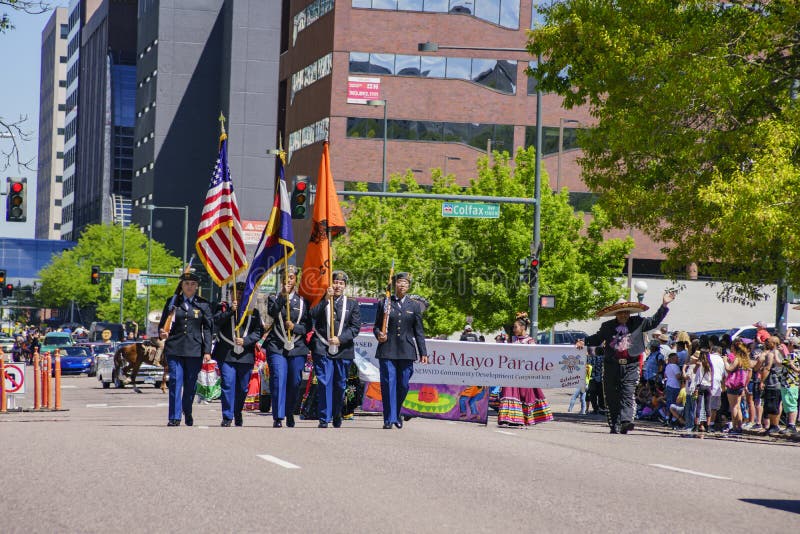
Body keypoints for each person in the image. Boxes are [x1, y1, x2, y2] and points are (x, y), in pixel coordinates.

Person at [577, 291, 675, 434]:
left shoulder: (638, 322)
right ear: (616, 314)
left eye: (626, 312)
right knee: (612, 395)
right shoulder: (607, 326)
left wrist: (664, 305)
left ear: (629, 313)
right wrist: (583, 341)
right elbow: (597, 338)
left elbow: (654, 321)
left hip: (631, 364)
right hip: (611, 365)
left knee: (627, 392)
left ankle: (626, 421)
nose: (623, 315)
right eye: (620, 313)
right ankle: (615, 424)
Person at [373, 272, 428, 429]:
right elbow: (376, 326)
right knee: (388, 384)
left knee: (403, 384)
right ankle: (388, 419)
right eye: (399, 282)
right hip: (387, 349)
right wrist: (379, 334)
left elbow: (419, 331)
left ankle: (396, 413)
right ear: (394, 284)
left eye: (405, 283)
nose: (402, 285)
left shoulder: (414, 306)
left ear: (409, 286)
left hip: (406, 350)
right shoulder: (385, 302)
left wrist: (423, 352)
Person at [158, 272, 213, 427]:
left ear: (197, 286)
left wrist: (207, 351)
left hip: (194, 349)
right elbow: (163, 324)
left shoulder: (203, 304)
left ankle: (187, 410)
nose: (189, 286)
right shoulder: (173, 302)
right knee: (175, 381)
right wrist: (162, 332)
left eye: (193, 284)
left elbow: (208, 329)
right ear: (181, 286)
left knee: (190, 384)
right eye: (186, 284)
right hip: (174, 348)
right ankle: (174, 417)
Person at [310, 271, 362, 428]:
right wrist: (326, 299)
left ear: (345, 286)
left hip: (343, 349)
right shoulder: (322, 299)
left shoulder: (352, 304)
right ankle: (324, 417)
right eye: (335, 282)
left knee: (339, 384)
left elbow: (355, 328)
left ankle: (337, 413)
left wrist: (340, 339)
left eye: (341, 283)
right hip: (322, 347)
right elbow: (312, 315)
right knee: (324, 382)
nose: (338, 285)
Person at [213, 281, 264, 427]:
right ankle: (227, 416)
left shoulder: (253, 312)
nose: (238, 296)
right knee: (228, 384)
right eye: (235, 293)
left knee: (242, 388)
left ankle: (237, 411)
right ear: (230, 295)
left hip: (245, 355)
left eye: (241, 293)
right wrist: (230, 311)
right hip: (226, 354)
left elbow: (258, 332)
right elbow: (215, 322)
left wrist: (246, 340)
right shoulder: (223, 308)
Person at [266, 265, 312, 428]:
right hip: (277, 345)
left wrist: (295, 327)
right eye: (285, 277)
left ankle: (290, 412)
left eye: (291, 277)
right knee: (278, 378)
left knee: (295, 382)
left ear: (296, 279)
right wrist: (282, 296)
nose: (288, 280)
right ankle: (278, 416)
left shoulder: (303, 302)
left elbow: (308, 326)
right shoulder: (274, 297)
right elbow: (272, 312)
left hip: (297, 346)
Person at [497, 313, 554, 427]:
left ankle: (521, 418)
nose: (514, 330)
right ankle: (510, 418)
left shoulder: (530, 341)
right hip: (513, 373)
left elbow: (534, 357)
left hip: (525, 374)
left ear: (523, 327)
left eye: (515, 327)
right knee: (510, 392)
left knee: (524, 396)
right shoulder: (514, 340)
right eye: (513, 327)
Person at [723, 340, 751, 435]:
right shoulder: (745, 359)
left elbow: (729, 369)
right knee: (738, 406)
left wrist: (725, 361)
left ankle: (735, 427)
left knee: (733, 406)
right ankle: (739, 426)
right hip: (740, 384)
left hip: (733, 384)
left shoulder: (737, 359)